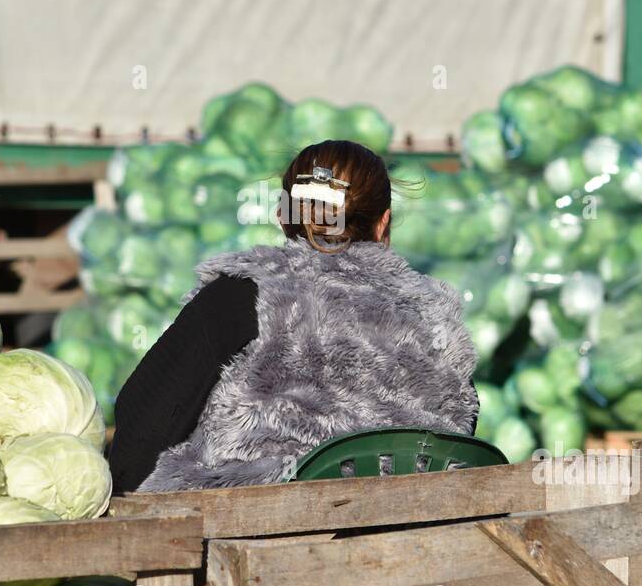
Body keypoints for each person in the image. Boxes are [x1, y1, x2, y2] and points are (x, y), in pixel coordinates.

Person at [107, 139, 480, 493]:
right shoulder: (436, 319)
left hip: (256, 547)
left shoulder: (240, 297)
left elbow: (141, 433)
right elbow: (460, 424)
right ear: (383, 224)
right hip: (413, 541)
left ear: (282, 218)